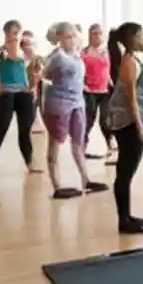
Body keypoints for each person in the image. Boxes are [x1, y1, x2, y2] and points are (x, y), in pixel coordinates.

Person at [41, 22, 109, 199]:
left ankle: (86, 180)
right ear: (59, 39)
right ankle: (57, 186)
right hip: (59, 103)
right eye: (68, 37)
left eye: (73, 36)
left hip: (77, 102)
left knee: (78, 143)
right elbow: (44, 74)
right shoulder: (57, 56)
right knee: (55, 143)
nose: (72, 39)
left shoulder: (77, 55)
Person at [107, 22, 143, 233]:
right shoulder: (129, 61)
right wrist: (139, 127)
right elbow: (131, 100)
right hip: (128, 122)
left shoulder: (137, 58)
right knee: (125, 172)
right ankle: (123, 220)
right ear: (133, 37)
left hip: (134, 121)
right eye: (142, 35)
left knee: (127, 172)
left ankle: (127, 216)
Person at [0, 19, 39, 186]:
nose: (13, 36)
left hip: (23, 93)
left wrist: (32, 87)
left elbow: (36, 67)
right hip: (6, 94)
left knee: (25, 131)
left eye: (16, 33)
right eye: (10, 33)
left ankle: (30, 163)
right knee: (0, 131)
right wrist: (4, 47)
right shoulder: (2, 52)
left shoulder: (26, 52)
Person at [80, 24, 115, 161]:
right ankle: (82, 145)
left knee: (105, 120)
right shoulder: (84, 52)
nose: (97, 36)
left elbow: (109, 68)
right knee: (89, 119)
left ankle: (110, 143)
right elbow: (80, 71)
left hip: (105, 90)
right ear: (90, 35)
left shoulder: (107, 52)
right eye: (94, 33)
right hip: (89, 91)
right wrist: (83, 86)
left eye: (100, 33)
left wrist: (111, 80)